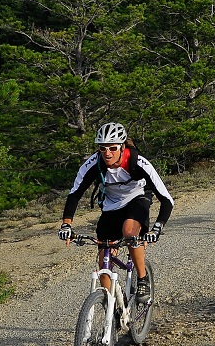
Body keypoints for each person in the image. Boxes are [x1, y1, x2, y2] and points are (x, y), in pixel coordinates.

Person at [58, 122, 174, 303]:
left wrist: (157, 228)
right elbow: (74, 194)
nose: (107, 153)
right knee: (103, 264)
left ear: (121, 146)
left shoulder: (138, 162)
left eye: (113, 148)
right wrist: (66, 224)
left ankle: (142, 278)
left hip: (138, 198)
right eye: (103, 148)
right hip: (111, 206)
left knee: (129, 233)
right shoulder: (94, 163)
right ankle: (115, 308)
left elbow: (167, 200)